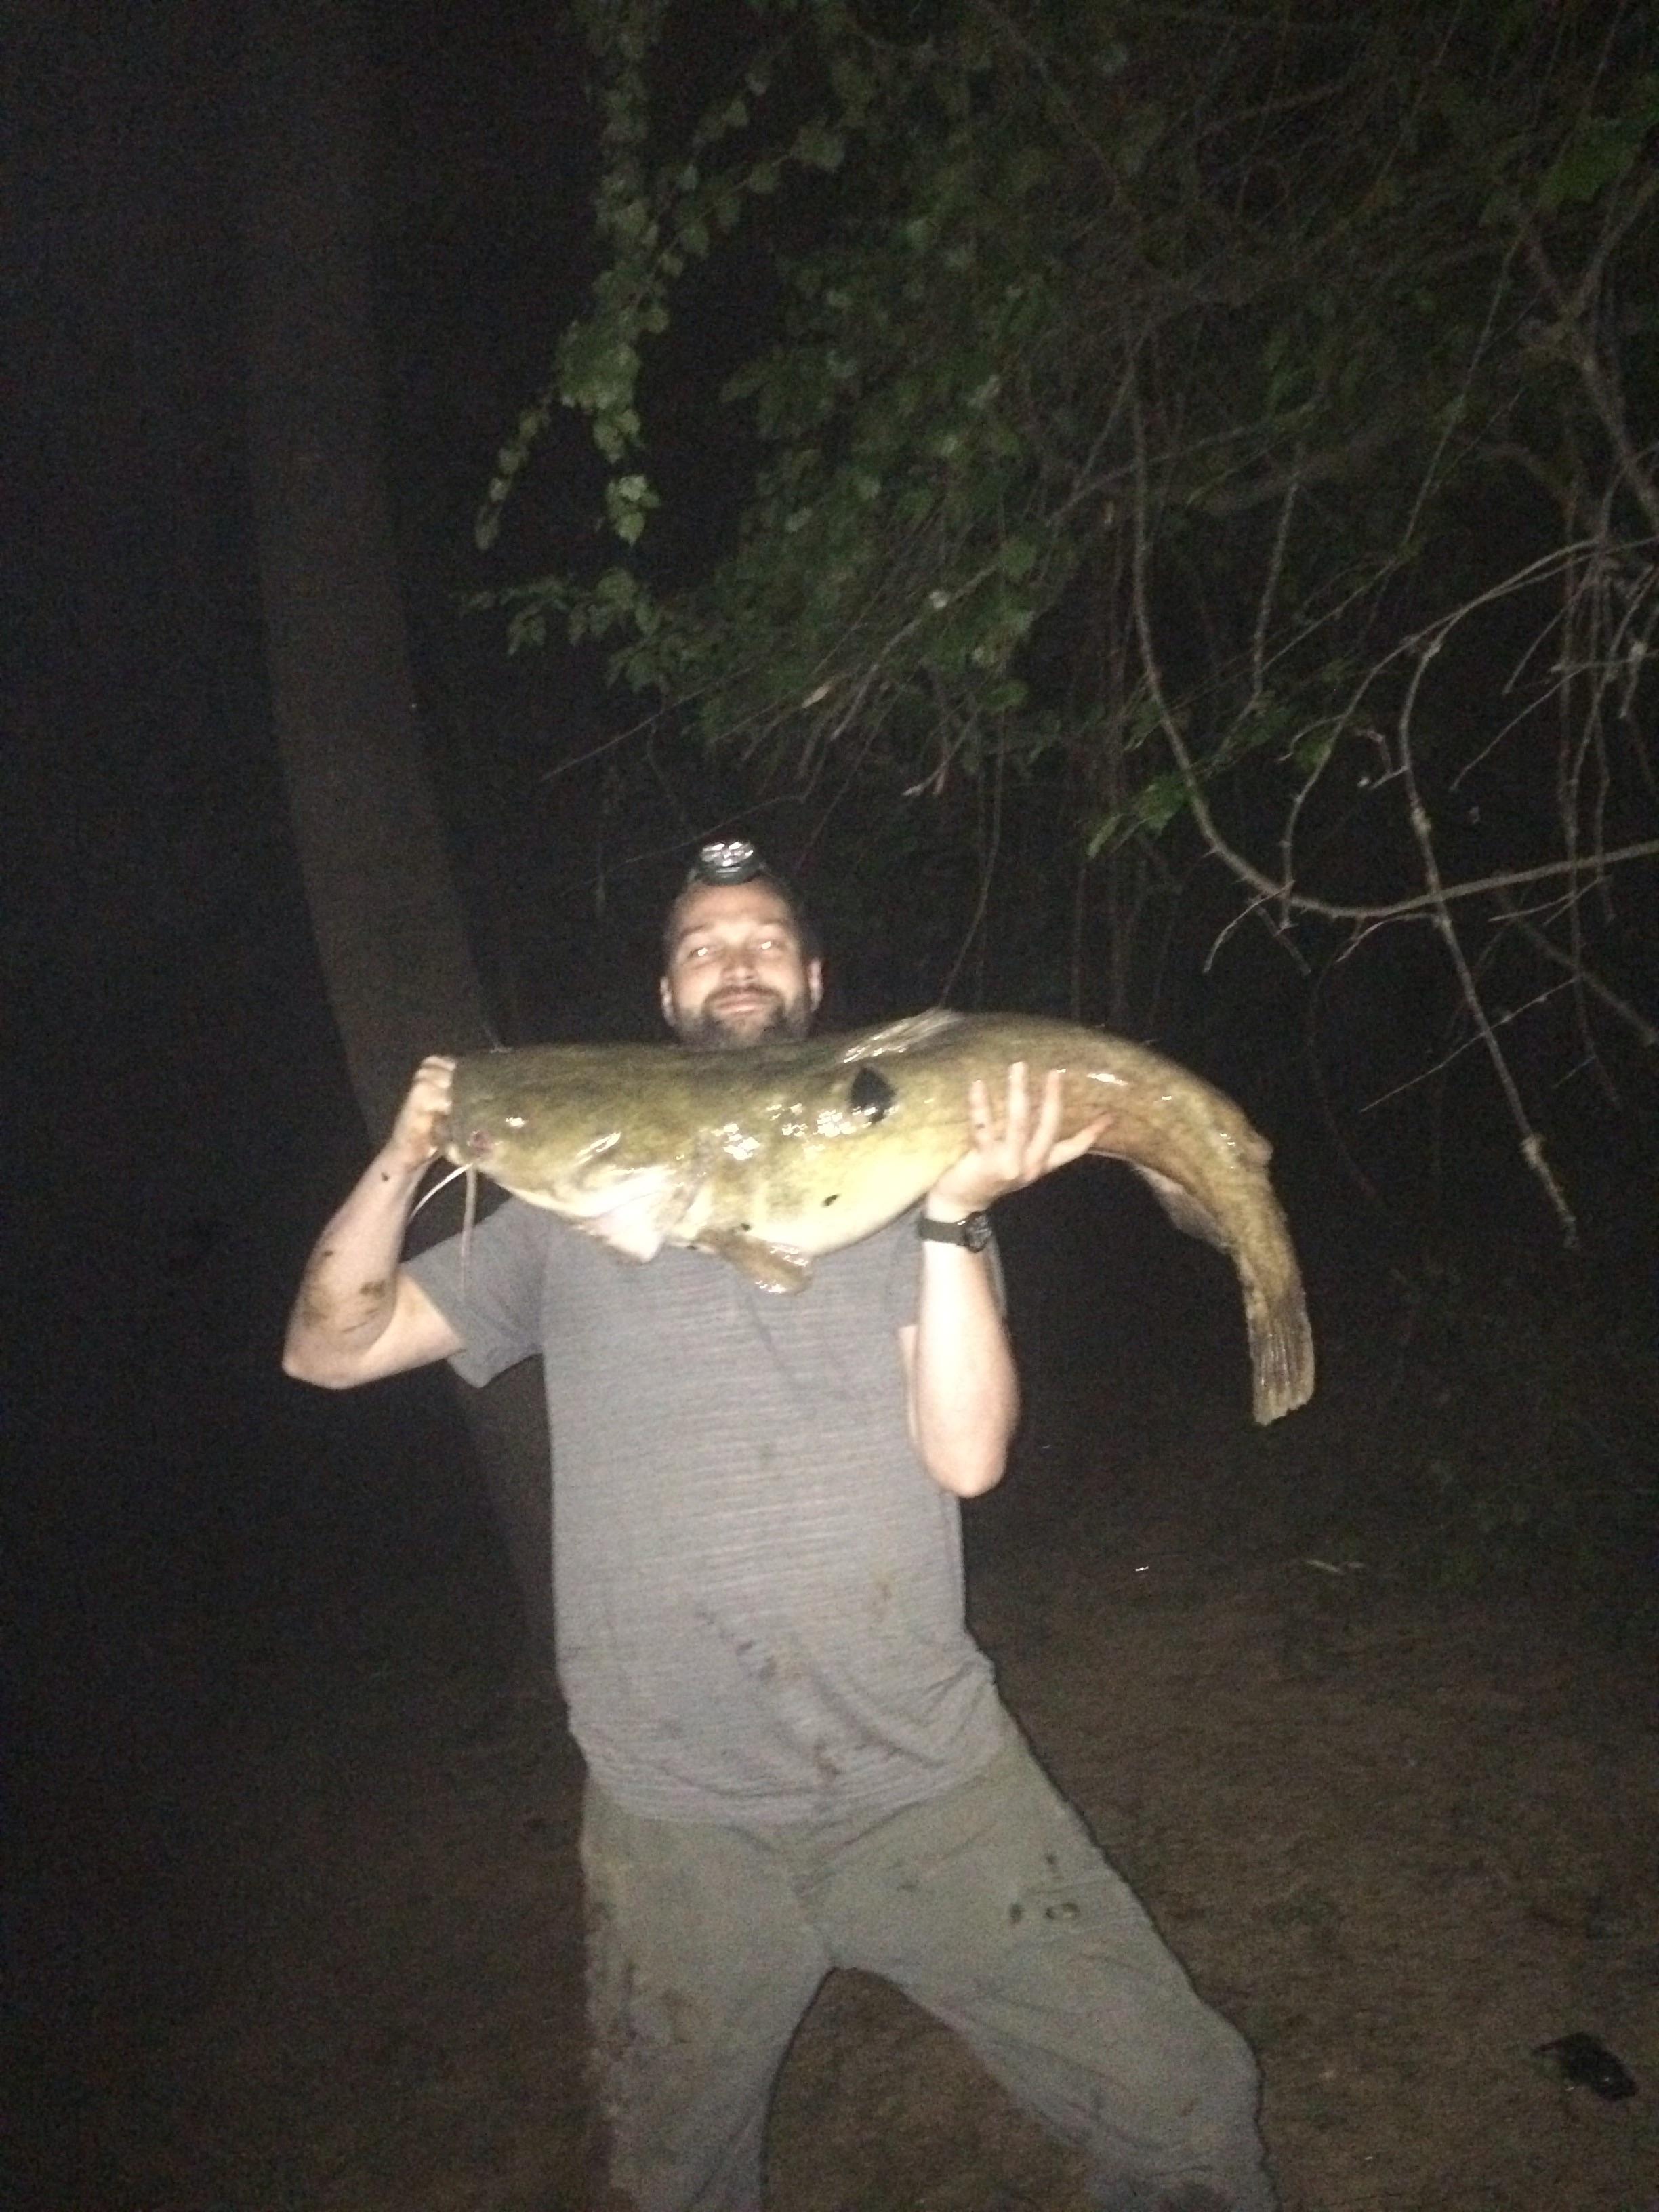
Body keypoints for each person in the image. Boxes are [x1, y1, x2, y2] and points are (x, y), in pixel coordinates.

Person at [283, 847, 1277, 2212]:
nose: (734, 959)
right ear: (667, 990)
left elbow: (969, 1457)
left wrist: (955, 1212)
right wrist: (410, 1156)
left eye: (763, 940)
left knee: (1188, 2109)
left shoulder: (901, 1177)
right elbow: (330, 1349)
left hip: (922, 1777)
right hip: (674, 1825)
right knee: (668, 2187)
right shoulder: (554, 1230)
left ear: (814, 983)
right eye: (703, 944)